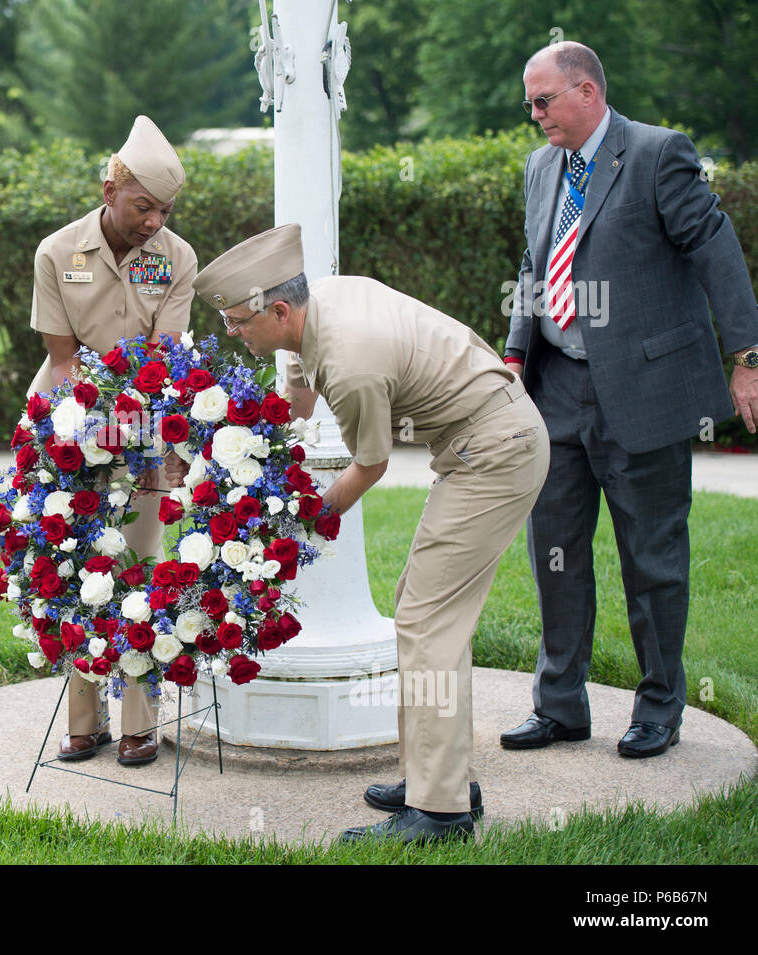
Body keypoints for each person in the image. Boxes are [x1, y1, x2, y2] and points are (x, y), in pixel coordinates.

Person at [186, 223, 549, 843]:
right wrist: (244, 445)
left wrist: (295, 531)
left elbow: (369, 467)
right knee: (422, 611)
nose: (233, 334)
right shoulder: (321, 301)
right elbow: (297, 397)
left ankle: (441, 813)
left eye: (238, 322)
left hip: (494, 452)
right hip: (484, 441)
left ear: (278, 308)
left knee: (428, 621)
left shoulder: (350, 361)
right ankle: (437, 777)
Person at [501, 42, 758, 759]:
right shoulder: (540, 165)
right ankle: (559, 705)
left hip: (644, 394)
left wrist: (749, 358)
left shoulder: (657, 154)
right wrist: (517, 353)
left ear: (586, 91)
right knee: (554, 549)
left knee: (652, 558)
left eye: (544, 100)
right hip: (557, 391)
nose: (534, 113)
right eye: (530, 101)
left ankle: (659, 708)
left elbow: (714, 245)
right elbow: (533, 260)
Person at [29, 115, 197, 768]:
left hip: (148, 427)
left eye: (165, 210)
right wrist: (90, 428)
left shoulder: (177, 259)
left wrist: (127, 422)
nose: (154, 222)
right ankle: (84, 721)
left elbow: (163, 356)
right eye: (142, 207)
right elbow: (63, 358)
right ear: (109, 191)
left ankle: (139, 722)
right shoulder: (56, 252)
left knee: (137, 568)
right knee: (74, 567)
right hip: (67, 424)